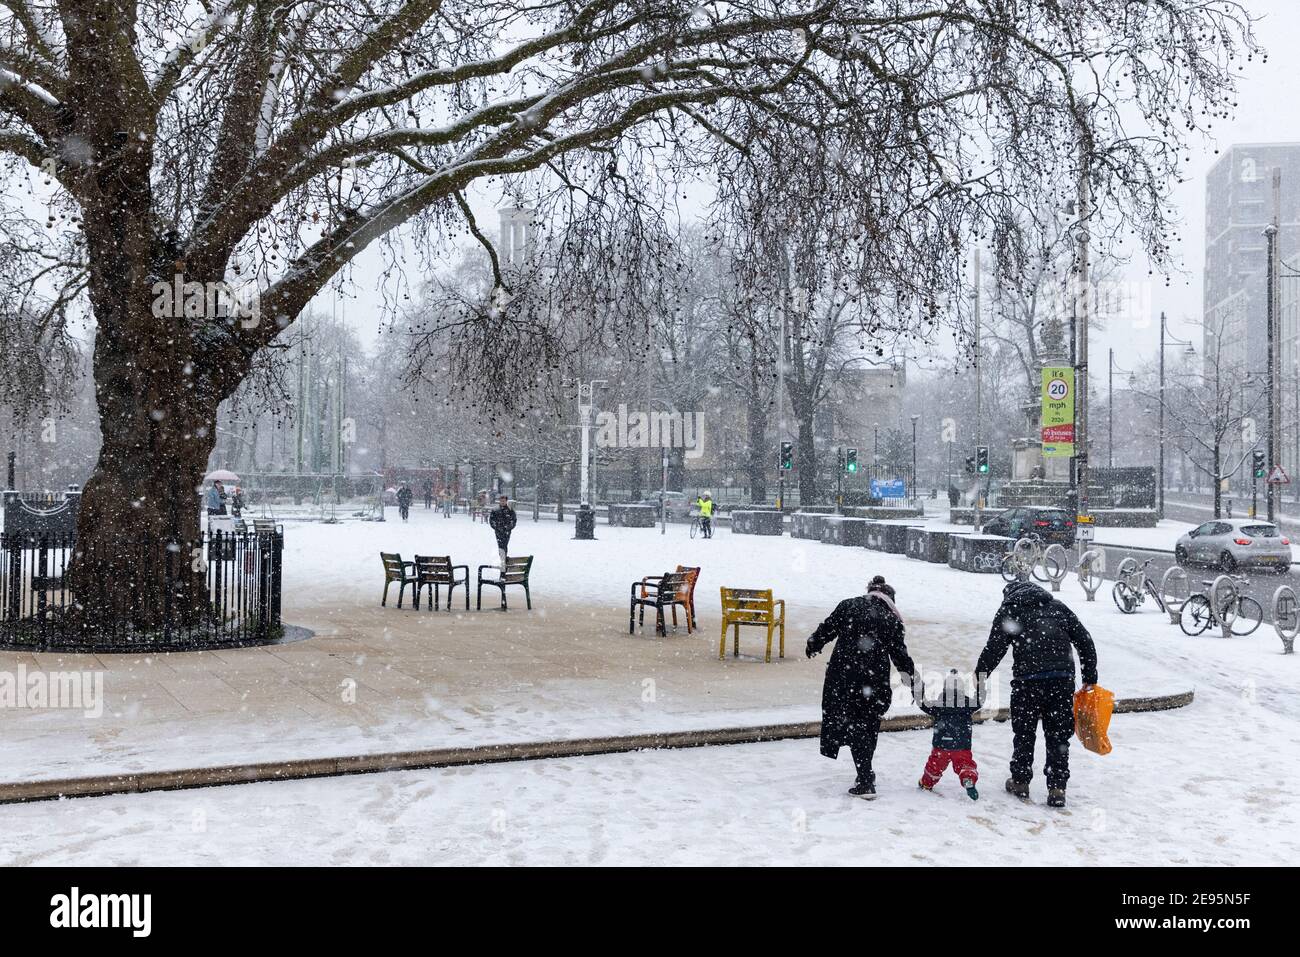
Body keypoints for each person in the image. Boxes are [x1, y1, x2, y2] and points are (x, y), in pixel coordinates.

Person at [974, 580, 1098, 808]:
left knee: (1024, 732)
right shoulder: (1058, 608)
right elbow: (1085, 640)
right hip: (1061, 681)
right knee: (1058, 736)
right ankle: (1057, 788)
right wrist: (1090, 677)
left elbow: (994, 648)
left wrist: (979, 677)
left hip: (1027, 683)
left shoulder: (1011, 609)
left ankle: (1020, 780)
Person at [806, 574, 917, 799]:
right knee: (866, 727)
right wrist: (912, 680)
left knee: (848, 724)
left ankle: (865, 776)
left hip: (843, 678)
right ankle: (865, 775)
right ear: (890, 599)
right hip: (872, 682)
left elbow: (827, 629)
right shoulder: (890, 617)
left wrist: (813, 643)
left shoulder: (848, 605)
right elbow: (899, 655)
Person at [917, 669, 981, 800]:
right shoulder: (968, 704)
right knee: (965, 764)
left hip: (941, 746)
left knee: (934, 766)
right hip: (962, 746)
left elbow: (922, 703)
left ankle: (927, 783)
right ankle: (967, 778)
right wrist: (979, 686)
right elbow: (980, 701)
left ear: (945, 688)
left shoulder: (938, 705)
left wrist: (919, 689)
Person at [489, 494, 517, 566]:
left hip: (507, 531)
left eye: (504, 501)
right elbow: (492, 520)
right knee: (501, 545)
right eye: (501, 501)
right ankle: (503, 558)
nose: (502, 502)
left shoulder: (510, 510)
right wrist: (496, 527)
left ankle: (503, 558)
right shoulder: (495, 510)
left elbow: (513, 520)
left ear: (506, 501)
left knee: (504, 545)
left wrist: (508, 527)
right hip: (498, 531)